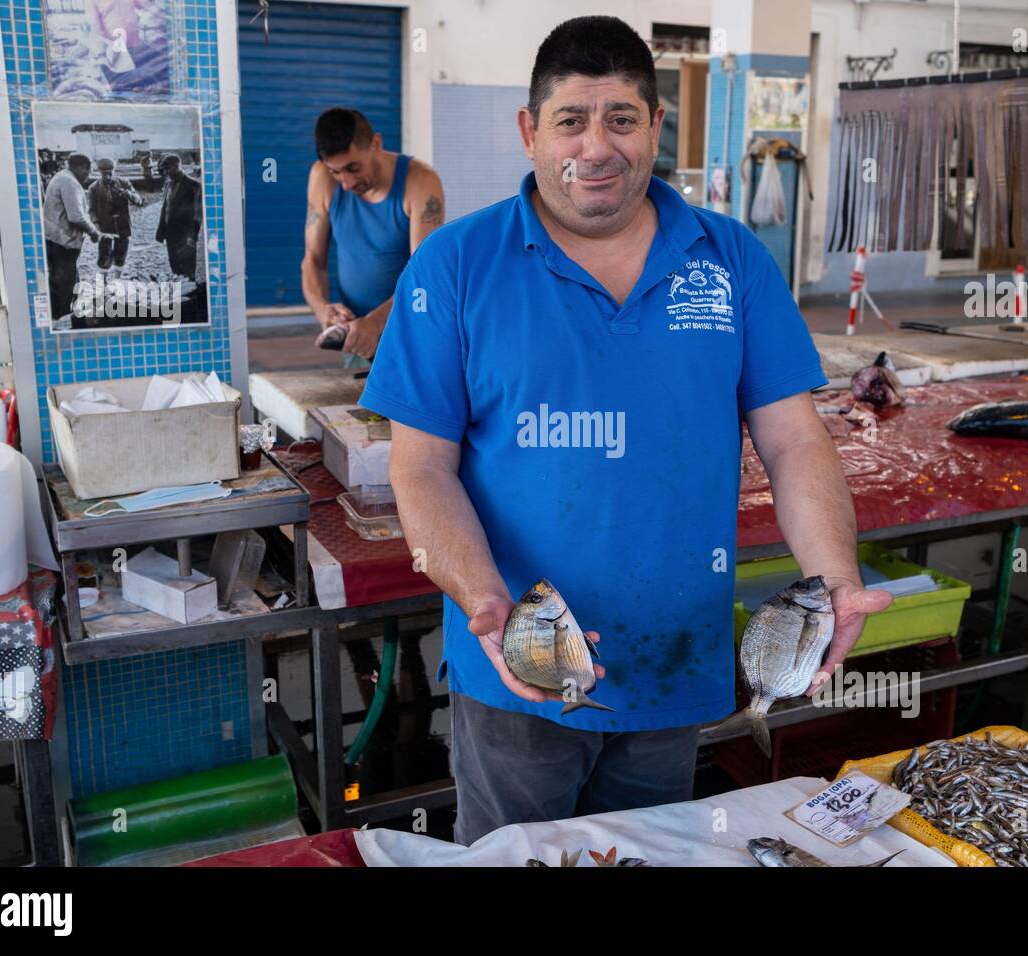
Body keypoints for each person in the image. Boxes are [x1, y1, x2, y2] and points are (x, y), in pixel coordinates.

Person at [359, 16, 893, 846]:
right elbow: (421, 470)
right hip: (519, 674)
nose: (597, 146)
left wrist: (835, 581)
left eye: (622, 119)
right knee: (516, 863)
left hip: (675, 665)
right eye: (571, 119)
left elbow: (795, 441)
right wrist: (489, 607)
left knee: (641, 858)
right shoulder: (454, 267)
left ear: (655, 126)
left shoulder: (733, 260)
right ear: (530, 132)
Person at [301, 108, 444, 364]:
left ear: (376, 144)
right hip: (357, 334)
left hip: (413, 332)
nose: (346, 183)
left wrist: (375, 323)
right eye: (336, 172)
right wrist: (322, 309)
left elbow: (424, 276)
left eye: (353, 167)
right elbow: (312, 259)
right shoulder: (322, 178)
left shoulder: (421, 181)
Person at [42, 153, 102, 321]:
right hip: (63, 242)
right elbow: (76, 216)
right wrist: (94, 232)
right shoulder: (70, 183)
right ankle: (61, 318)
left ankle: (65, 313)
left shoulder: (62, 177)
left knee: (65, 279)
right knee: (63, 284)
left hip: (55, 239)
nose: (87, 176)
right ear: (82, 167)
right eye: (88, 172)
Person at [87, 157, 143, 271]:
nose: (107, 176)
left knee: (121, 256)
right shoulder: (93, 188)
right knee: (104, 256)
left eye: (109, 173)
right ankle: (104, 282)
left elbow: (139, 201)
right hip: (104, 226)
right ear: (99, 173)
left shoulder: (124, 182)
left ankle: (117, 280)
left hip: (123, 225)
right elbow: (91, 210)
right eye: (104, 174)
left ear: (114, 171)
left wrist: (130, 195)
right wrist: (96, 225)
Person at [154, 154, 201, 282]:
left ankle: (192, 295)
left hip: (186, 236)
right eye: (164, 169)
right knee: (175, 268)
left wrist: (192, 237)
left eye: (168, 169)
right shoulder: (168, 185)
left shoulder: (194, 185)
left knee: (188, 270)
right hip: (170, 235)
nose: (166, 172)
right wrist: (161, 232)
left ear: (176, 166)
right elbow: (165, 209)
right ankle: (180, 295)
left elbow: (197, 215)